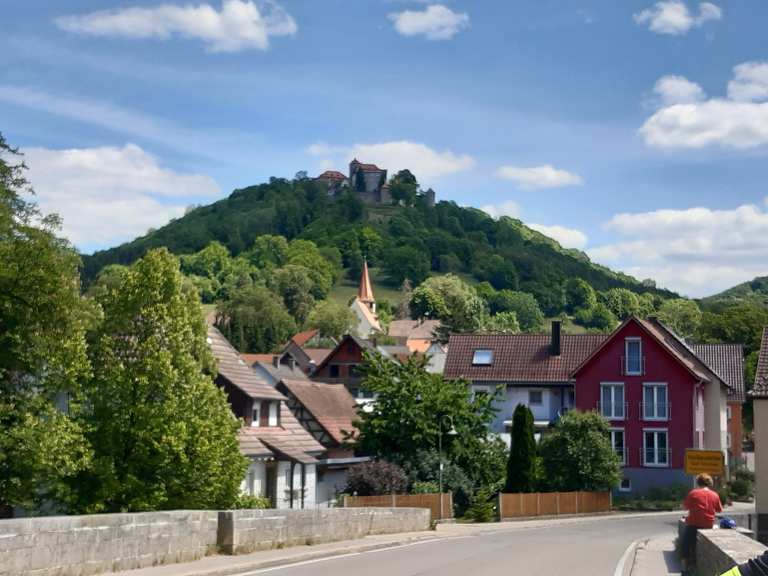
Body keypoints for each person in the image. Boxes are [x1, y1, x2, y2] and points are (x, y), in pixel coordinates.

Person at [681, 474, 723, 572]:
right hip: (708, 525)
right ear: (709, 483)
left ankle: (684, 569)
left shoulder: (693, 493)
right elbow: (719, 510)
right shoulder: (715, 495)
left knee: (685, 547)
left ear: (698, 482)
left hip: (693, 525)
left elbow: (685, 507)